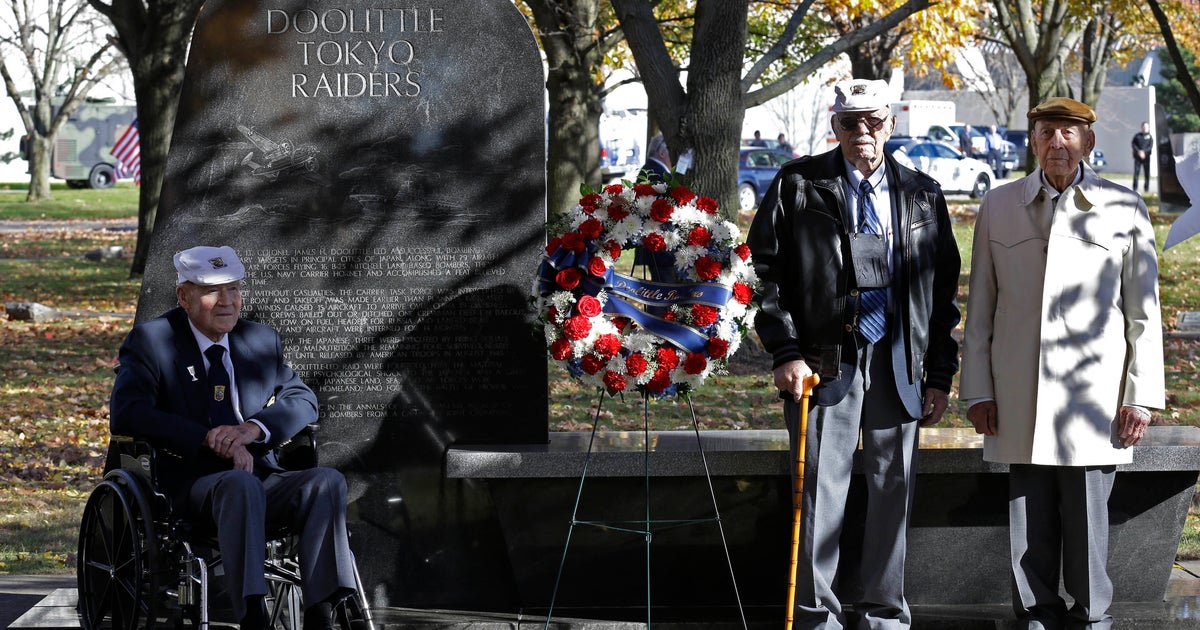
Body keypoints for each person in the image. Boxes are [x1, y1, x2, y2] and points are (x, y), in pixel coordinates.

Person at [748, 78, 962, 629]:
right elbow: (763, 272)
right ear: (834, 125)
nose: (862, 132)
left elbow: (941, 292)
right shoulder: (799, 184)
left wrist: (938, 371)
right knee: (820, 490)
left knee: (894, 491)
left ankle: (885, 614)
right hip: (822, 362)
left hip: (899, 361)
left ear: (891, 123)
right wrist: (785, 350)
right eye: (850, 122)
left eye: (873, 121)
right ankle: (818, 615)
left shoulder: (923, 192)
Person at [960, 97, 1165, 629]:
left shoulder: (1125, 208)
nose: (1058, 142)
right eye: (1048, 132)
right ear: (1032, 141)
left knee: (1088, 519)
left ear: (1088, 143)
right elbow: (980, 306)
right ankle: (1035, 616)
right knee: (1027, 521)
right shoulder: (999, 206)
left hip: (1093, 395)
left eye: (1069, 133)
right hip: (1019, 392)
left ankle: (1091, 618)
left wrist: (1140, 396)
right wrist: (977, 390)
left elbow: (1144, 313)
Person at [109, 245, 358, 630]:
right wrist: (207, 438)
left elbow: (302, 398)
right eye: (212, 292)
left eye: (233, 289)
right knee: (240, 486)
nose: (227, 302)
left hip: (260, 475)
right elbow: (129, 412)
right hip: (189, 483)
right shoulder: (152, 341)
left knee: (327, 482)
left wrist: (251, 430)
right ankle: (253, 614)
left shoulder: (259, 340)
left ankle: (322, 610)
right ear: (184, 296)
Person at [1132, 120, 1153, 193]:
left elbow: (1150, 147)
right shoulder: (1137, 136)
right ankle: (1135, 188)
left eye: (1146, 127)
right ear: (1141, 127)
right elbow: (1133, 145)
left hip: (1146, 158)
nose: (1145, 128)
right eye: (1144, 126)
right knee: (1136, 173)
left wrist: (1144, 152)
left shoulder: (1150, 137)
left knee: (1147, 174)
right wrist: (1139, 152)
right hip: (1137, 158)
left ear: (1148, 128)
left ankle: (1146, 189)